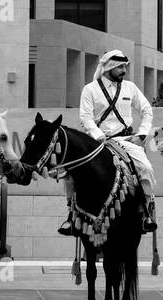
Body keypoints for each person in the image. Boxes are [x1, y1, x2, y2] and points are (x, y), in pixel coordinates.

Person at [58, 51, 157, 236]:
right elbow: (85, 118)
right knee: (67, 171)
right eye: (120, 67)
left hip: (125, 141)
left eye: (125, 67)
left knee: (146, 168)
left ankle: (146, 213)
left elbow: (146, 110)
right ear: (109, 67)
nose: (124, 71)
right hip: (97, 141)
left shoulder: (130, 88)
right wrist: (98, 136)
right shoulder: (90, 89)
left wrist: (142, 134)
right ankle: (71, 216)